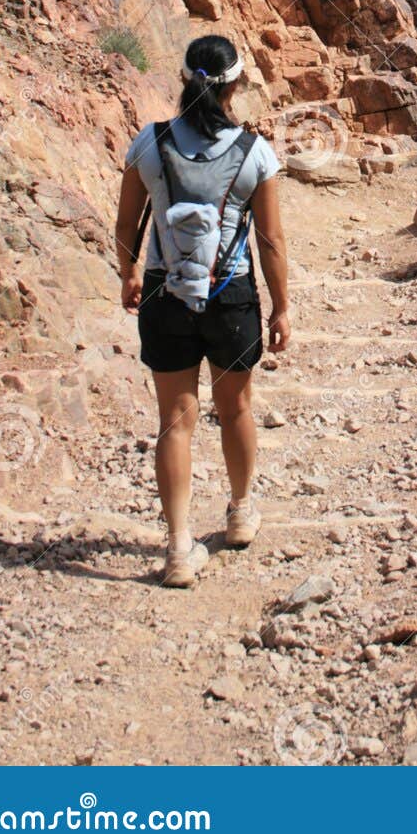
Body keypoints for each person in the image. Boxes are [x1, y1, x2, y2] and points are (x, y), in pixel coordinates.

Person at [114, 34, 290, 587]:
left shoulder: (149, 142)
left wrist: (131, 273)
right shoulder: (254, 152)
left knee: (175, 422)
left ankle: (178, 547)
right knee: (235, 409)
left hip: (166, 295)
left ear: (185, 79)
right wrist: (282, 307)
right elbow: (271, 241)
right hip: (231, 296)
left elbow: (124, 228)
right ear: (235, 85)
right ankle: (239, 513)